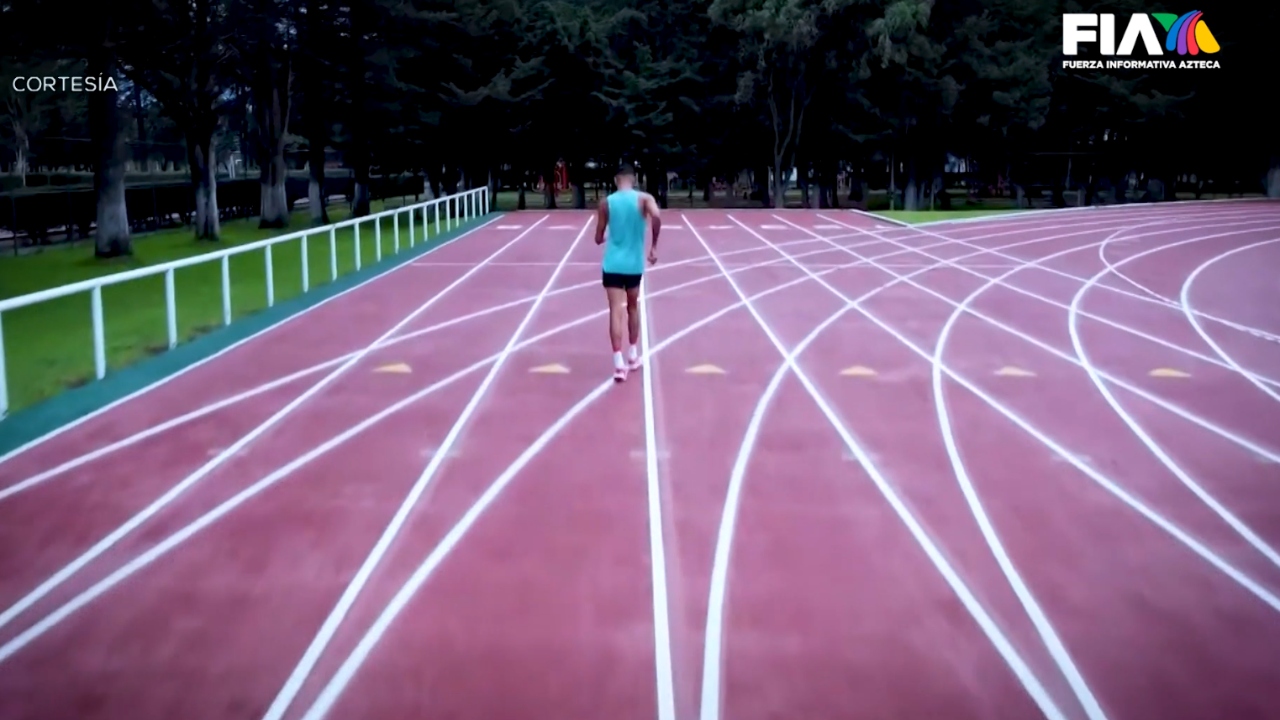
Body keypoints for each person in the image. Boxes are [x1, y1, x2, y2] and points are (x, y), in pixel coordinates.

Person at [595, 163, 661, 382]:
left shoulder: (607, 203)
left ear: (616, 180)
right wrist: (653, 246)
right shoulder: (644, 199)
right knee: (633, 307)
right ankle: (633, 354)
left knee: (615, 311)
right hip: (633, 265)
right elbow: (657, 216)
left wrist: (606, 237)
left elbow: (598, 237)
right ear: (633, 179)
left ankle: (618, 364)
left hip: (612, 264)